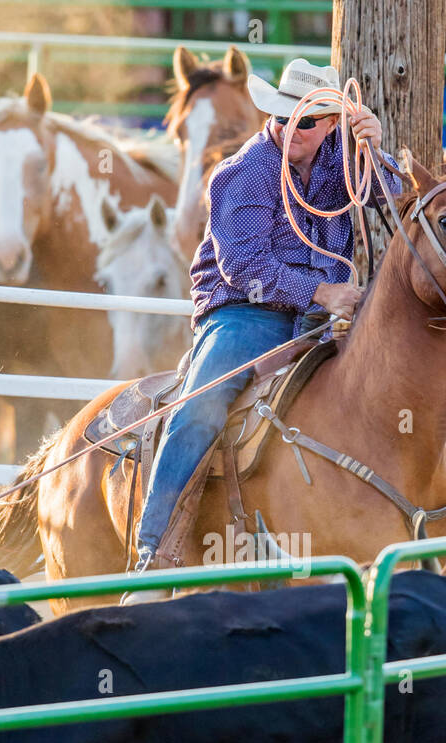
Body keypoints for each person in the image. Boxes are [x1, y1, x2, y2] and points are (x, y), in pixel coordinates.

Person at [132, 58, 402, 571]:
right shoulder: (242, 173)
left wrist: (374, 147)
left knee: (388, 383)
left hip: (323, 320)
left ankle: (431, 495)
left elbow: (396, 203)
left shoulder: (343, 162)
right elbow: (244, 268)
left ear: (329, 126)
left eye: (304, 121)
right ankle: (156, 545)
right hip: (245, 315)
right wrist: (322, 292)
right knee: (203, 404)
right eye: (282, 116)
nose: (289, 129)